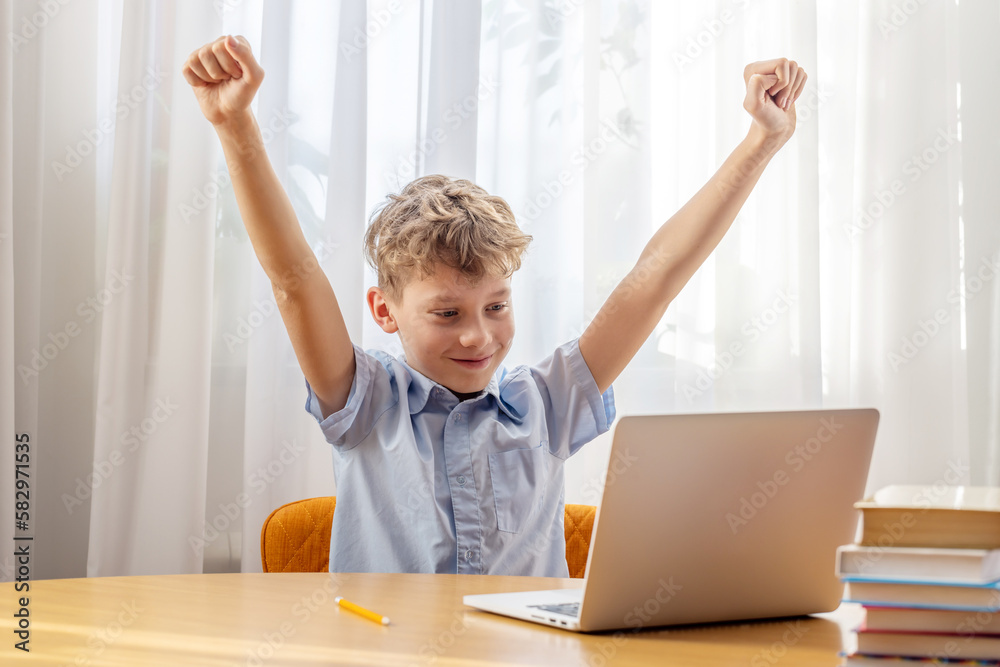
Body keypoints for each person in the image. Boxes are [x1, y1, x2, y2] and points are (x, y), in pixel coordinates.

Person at [182, 35, 806, 576]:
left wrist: (760, 142)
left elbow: (658, 275)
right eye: (447, 313)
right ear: (385, 311)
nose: (479, 337)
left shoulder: (548, 403)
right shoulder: (365, 401)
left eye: (497, 306)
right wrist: (235, 126)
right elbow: (293, 280)